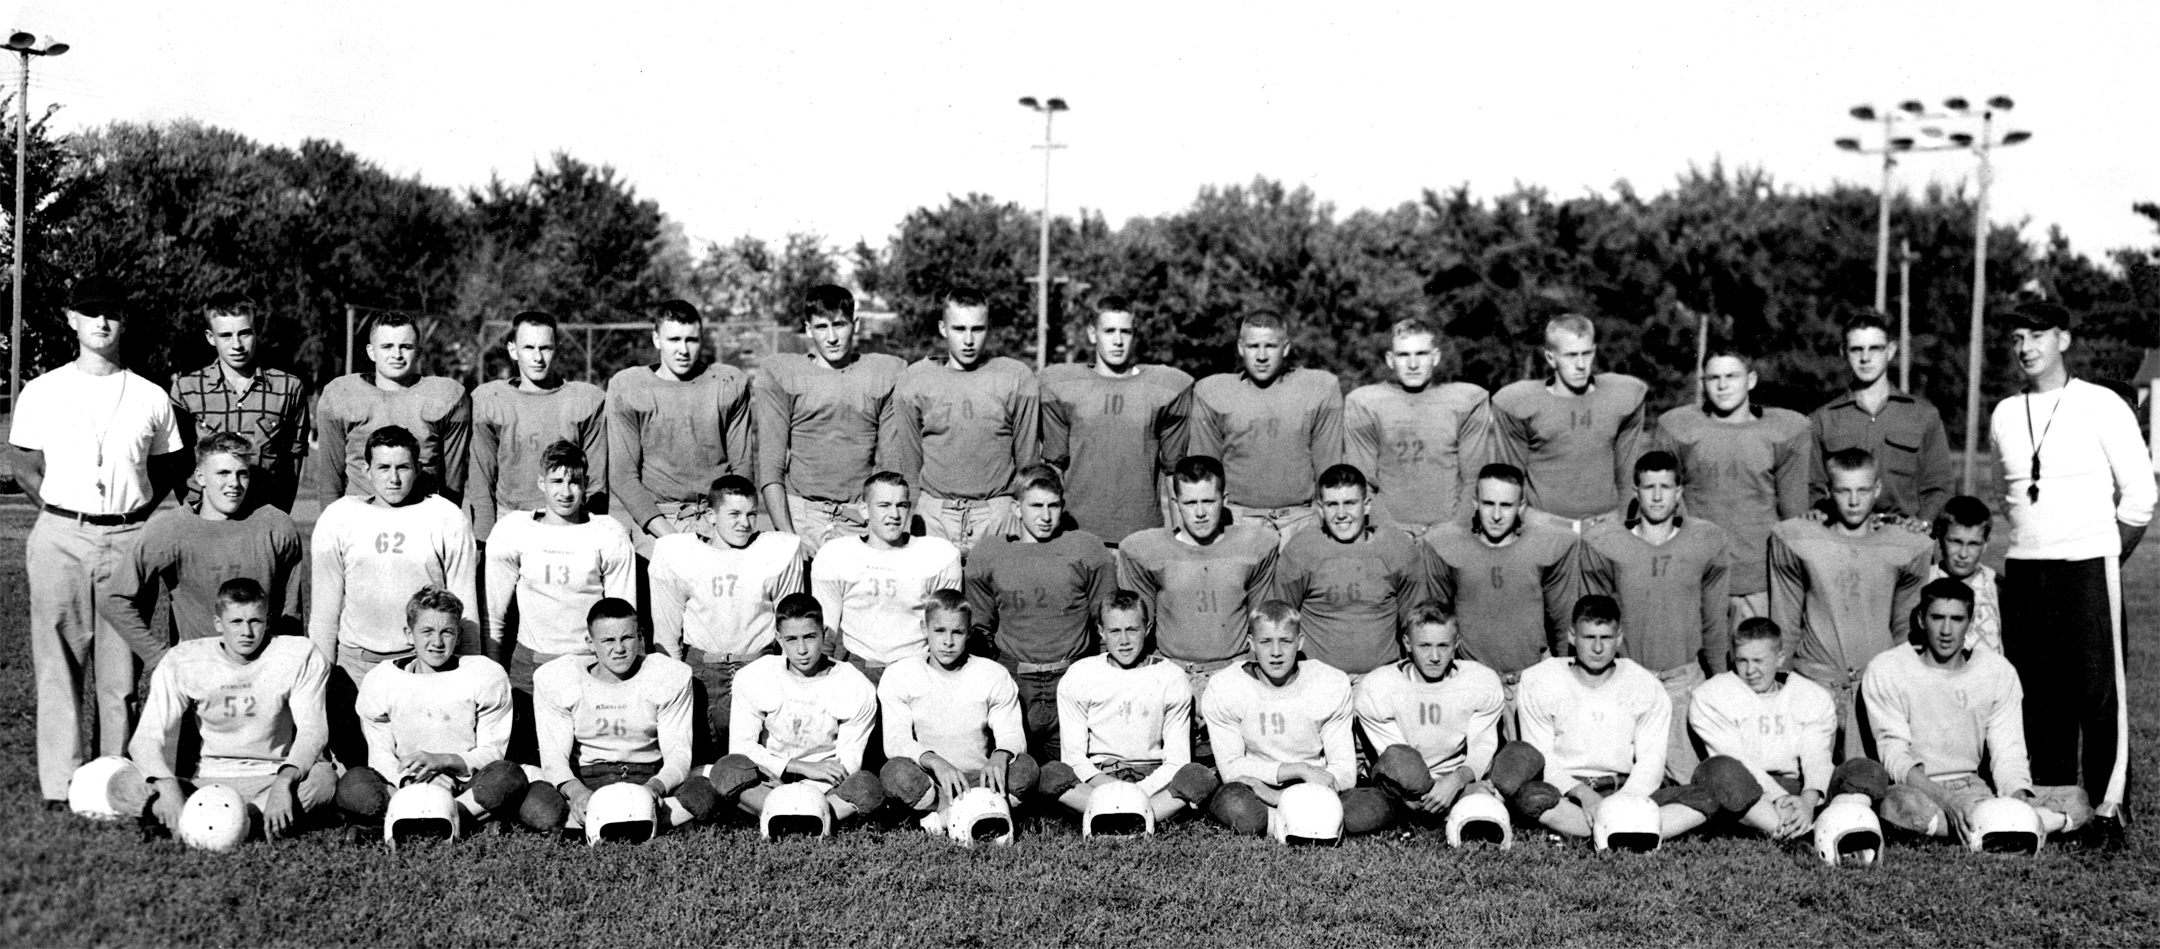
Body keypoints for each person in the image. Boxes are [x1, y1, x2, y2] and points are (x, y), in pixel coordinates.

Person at [8, 276, 188, 808]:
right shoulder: (43, 389)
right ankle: (60, 786)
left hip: (129, 536)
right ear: (71, 320)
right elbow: (23, 466)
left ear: (123, 321)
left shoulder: (150, 396)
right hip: (60, 534)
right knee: (59, 661)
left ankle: (114, 782)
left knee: (121, 672)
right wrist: (68, 514)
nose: (101, 323)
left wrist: (128, 521)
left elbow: (166, 469)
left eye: (111, 313)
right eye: (90, 313)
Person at [1988, 301, 2154, 845]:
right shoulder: (2006, 413)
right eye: (2018, 337)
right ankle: (2059, 804)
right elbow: (2006, 495)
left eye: (2037, 335)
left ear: (2063, 338)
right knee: (2038, 691)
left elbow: (2140, 496)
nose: (2026, 347)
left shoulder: (2100, 403)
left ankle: (2110, 810)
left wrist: (2105, 553)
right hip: (2026, 569)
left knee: (2097, 694)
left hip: (2087, 566)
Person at [1863, 578, 2092, 842]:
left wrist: (2018, 798)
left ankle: (1988, 825)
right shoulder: (1889, 668)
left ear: (1970, 622)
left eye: (1957, 619)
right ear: (1920, 619)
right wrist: (1947, 800)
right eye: (1937, 617)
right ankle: (2010, 827)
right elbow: (1894, 754)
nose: (1946, 630)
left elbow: (2008, 750)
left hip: (1975, 787)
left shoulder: (1995, 670)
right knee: (1896, 805)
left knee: (2077, 799)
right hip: (1922, 790)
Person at [310, 425, 480, 766]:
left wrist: (470, 673)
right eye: (384, 468)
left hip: (421, 665)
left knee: (420, 765)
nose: (394, 478)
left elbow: (465, 606)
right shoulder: (341, 517)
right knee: (357, 770)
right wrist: (320, 680)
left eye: (403, 467)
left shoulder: (445, 517)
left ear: (417, 469)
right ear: (366, 470)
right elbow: (325, 610)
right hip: (357, 663)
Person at [1490, 595, 1716, 842]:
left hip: (1625, 789)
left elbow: (1650, 763)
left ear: (1619, 637)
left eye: (1606, 638)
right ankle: (1629, 829)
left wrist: (1622, 802)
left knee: (1707, 797)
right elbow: (1543, 758)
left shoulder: (1644, 684)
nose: (1597, 648)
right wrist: (1584, 794)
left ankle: (1590, 830)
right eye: (1589, 638)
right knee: (1531, 797)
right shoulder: (1540, 680)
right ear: (1572, 636)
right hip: (1567, 794)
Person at [133, 579, 337, 840]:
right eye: (236, 622)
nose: (247, 632)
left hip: (269, 777)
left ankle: (217, 822)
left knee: (322, 779)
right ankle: (250, 826)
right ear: (218, 623)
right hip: (206, 779)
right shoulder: (185, 659)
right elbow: (147, 737)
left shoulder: (297, 653)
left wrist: (284, 782)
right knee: (126, 778)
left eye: (255, 621)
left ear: (268, 620)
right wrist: (168, 787)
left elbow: (313, 731)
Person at [1768, 448, 1932, 759]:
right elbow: (1785, 619)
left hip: (1874, 683)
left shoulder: (1905, 545)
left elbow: (1904, 630)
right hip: (1816, 679)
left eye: (1863, 490)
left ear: (1878, 489)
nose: (1854, 501)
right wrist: (1782, 681)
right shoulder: (1800, 540)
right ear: (1828, 491)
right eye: (1843, 491)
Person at [1581, 451, 1732, 783]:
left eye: (1666, 486)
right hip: (1628, 678)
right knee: (1619, 776)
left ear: (1680, 492)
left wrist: (1721, 680)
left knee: (1694, 780)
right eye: (1649, 487)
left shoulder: (1705, 541)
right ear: (1636, 491)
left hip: (1683, 679)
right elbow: (1596, 622)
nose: (1658, 496)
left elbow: (1714, 619)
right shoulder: (1607, 543)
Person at [481, 439, 634, 762]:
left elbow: (622, 617)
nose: (566, 492)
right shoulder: (515, 530)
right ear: (541, 483)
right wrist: (495, 674)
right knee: (526, 764)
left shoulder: (607, 532)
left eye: (574, 481)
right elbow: (495, 615)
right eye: (556, 481)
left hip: (586, 663)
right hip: (531, 665)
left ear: (586, 484)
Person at [335, 587, 534, 831]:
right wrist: (410, 781)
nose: (437, 642)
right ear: (409, 634)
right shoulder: (382, 679)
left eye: (447, 632)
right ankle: (461, 823)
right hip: (405, 783)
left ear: (459, 635)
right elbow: (380, 754)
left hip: (462, 784)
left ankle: (406, 822)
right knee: (353, 784)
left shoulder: (484, 674)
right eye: (427, 631)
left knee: (508, 776)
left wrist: (444, 762)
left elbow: (492, 752)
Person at [522, 597, 721, 832]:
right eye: (608, 640)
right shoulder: (559, 677)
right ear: (590, 642)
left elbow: (678, 753)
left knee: (705, 792)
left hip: (646, 776)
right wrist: (577, 793)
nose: (619, 649)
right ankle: (641, 820)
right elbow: (554, 757)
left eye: (627, 638)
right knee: (540, 809)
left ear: (640, 636)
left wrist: (653, 788)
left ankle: (601, 821)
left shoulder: (668, 674)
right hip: (588, 778)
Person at [1200, 601, 1395, 837]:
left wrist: (1280, 796)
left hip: (1318, 787)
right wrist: (1298, 769)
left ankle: (1282, 823)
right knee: (1233, 804)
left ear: (1299, 642)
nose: (1276, 652)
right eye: (1265, 642)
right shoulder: (1226, 686)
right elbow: (1232, 768)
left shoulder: (1329, 681)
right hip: (1259, 787)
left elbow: (1344, 772)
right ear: (1251, 644)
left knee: (1375, 805)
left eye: (1285, 641)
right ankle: (1313, 825)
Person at [1421, 464, 1599, 722]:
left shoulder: (1545, 549)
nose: (1495, 515)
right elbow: (1435, 622)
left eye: (1506, 505)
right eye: (1488, 503)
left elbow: (1562, 618)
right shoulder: (1448, 549)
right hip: (1471, 683)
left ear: (1521, 507)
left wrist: (1567, 677)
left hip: (1530, 680)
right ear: (1475, 503)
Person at [963, 466, 1117, 761]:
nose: (1045, 517)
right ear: (1016, 508)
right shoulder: (992, 553)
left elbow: (1106, 622)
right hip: (1016, 680)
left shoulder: (1085, 549)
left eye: (1053, 506)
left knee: (1073, 772)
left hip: (1070, 677)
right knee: (1015, 772)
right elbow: (980, 629)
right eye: (1036, 506)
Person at [651, 475, 809, 761]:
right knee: (703, 761)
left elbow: (790, 624)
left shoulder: (775, 553)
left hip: (757, 665)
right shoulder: (679, 553)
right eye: (734, 514)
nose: (744, 523)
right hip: (703, 671)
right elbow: (666, 631)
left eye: (751, 514)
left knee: (757, 760)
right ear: (711, 515)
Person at [1689, 617, 1890, 841]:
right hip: (1750, 793)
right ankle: (1806, 834)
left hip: (1801, 788)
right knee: (1718, 770)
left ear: (1779, 659)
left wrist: (1807, 800)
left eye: (1758, 661)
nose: (1749, 670)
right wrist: (1779, 799)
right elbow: (1737, 759)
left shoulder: (1809, 694)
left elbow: (1816, 755)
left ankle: (1830, 821)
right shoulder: (1713, 694)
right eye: (1742, 661)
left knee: (1867, 770)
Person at [1653, 346, 1813, 627]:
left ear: (1751, 380)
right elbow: (1661, 504)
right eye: (1714, 378)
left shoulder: (1782, 431)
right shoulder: (1679, 428)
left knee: (1753, 662)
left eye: (1732, 376)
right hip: (1696, 572)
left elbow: (1794, 513)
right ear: (1703, 383)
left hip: (1758, 577)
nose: (1723, 385)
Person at [105, 432, 304, 654]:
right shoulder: (171, 528)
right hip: (199, 664)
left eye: (242, 474)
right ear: (200, 477)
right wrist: (157, 657)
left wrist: (287, 659)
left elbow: (292, 610)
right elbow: (115, 598)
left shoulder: (275, 524)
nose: (234, 484)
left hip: (263, 664)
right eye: (223, 473)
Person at [1115, 455, 1280, 721]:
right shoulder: (1147, 552)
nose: (1200, 512)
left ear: (1224, 500)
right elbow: (1139, 628)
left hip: (1233, 671)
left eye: (1208, 501)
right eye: (1190, 503)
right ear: (1175, 503)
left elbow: (1262, 624)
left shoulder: (1254, 547)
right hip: (1172, 673)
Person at [704, 594, 887, 827]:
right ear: (778, 638)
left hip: (826, 786)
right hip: (769, 780)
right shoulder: (755, 675)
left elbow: (848, 763)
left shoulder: (854, 684)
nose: (802, 649)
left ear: (825, 634)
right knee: (726, 769)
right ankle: (807, 816)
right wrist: (799, 768)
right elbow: (742, 747)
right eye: (791, 639)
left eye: (810, 637)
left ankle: (788, 814)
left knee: (867, 786)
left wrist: (810, 786)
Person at [1037, 591, 1220, 824]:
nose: (1124, 641)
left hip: (1153, 777)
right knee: (1051, 774)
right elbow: (1073, 756)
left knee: (1200, 776)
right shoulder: (1080, 674)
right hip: (1097, 778)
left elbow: (1177, 759)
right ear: (1101, 631)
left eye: (1132, 630)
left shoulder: (1170, 676)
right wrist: (1111, 789)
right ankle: (1141, 817)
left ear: (1147, 627)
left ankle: (1111, 816)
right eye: (1115, 631)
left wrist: (1138, 792)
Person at [753, 284, 907, 554]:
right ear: (808, 328)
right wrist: (788, 538)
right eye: (822, 327)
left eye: (840, 324)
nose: (832, 337)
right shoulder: (784, 374)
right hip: (800, 515)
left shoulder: (882, 373)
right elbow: (770, 466)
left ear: (855, 325)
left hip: (859, 516)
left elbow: (892, 464)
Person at [890, 290, 1041, 555]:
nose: (969, 340)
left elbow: (1027, 463)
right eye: (959, 329)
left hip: (997, 514)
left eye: (977, 329)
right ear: (942, 328)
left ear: (989, 328)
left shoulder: (1015, 378)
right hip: (934, 516)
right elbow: (910, 463)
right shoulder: (915, 379)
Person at [1039, 296, 1195, 544]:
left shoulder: (1162, 389)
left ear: (1134, 335)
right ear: (1093, 334)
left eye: (1126, 332)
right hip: (1076, 531)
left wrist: (1181, 538)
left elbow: (1174, 472)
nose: (1118, 340)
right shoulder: (1064, 386)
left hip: (1142, 531)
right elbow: (1053, 467)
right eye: (1109, 331)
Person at [876, 590, 1038, 828]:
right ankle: (974, 812)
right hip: (932, 782)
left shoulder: (992, 673)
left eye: (958, 632)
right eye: (939, 630)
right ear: (924, 628)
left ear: (969, 632)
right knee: (894, 772)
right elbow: (895, 741)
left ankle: (941, 821)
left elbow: (1012, 734)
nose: (948, 642)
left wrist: (999, 756)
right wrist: (936, 762)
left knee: (1026, 769)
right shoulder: (900, 674)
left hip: (979, 779)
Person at [606, 299, 754, 558]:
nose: (683, 350)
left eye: (691, 340)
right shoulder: (629, 386)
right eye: (673, 340)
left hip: (717, 522)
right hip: (658, 523)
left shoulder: (727, 383)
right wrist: (671, 538)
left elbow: (742, 468)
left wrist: (725, 528)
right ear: (656, 339)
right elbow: (622, 476)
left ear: (702, 339)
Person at [1188, 311, 1343, 542]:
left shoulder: (1317, 389)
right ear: (1241, 348)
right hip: (1236, 521)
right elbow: (1203, 479)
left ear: (1286, 348)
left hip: (1299, 521)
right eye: (1253, 346)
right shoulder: (1214, 393)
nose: (1261, 356)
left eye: (1270, 346)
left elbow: (1329, 470)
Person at [1273, 464, 1433, 678]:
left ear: (1366, 505)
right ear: (1320, 509)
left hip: (1382, 679)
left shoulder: (1398, 548)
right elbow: (1282, 621)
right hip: (1317, 681)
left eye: (1349, 503)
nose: (1341, 514)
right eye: (1332, 504)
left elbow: (1415, 623)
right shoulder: (1301, 549)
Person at [1487, 313, 1648, 526]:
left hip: (1605, 528)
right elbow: (1510, 478)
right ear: (1551, 358)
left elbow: (1629, 472)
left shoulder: (1621, 397)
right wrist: (1528, 520)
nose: (1581, 365)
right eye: (1571, 355)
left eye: (1587, 354)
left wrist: (1625, 524)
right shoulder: (1520, 404)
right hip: (1544, 530)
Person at [466, 310, 609, 543]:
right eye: (528, 348)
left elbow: (595, 483)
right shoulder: (490, 400)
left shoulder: (585, 401)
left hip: (568, 521)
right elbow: (482, 483)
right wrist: (483, 542)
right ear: (513, 350)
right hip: (510, 520)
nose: (538, 358)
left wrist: (591, 535)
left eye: (545, 348)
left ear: (557, 349)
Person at [811, 472, 964, 684]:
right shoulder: (837, 555)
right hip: (858, 666)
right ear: (864, 509)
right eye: (884, 505)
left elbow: (946, 628)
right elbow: (825, 629)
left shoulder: (937, 555)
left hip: (916, 668)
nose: (894, 514)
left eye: (901, 505)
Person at [1358, 605, 1507, 822]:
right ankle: (1448, 808)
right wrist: (1440, 791)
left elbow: (1481, 748)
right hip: (1404, 789)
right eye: (1425, 646)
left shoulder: (1480, 681)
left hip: (1456, 778)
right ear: (1408, 644)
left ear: (1456, 644)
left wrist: (1456, 781)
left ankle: (1441, 809)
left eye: (1443, 646)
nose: (1435, 656)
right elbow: (1398, 760)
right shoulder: (1379, 685)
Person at [1343, 317, 1491, 534]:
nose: (1413, 364)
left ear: (1436, 357)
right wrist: (1388, 534)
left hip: (1448, 531)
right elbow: (1362, 484)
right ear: (1390, 359)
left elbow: (1474, 479)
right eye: (1404, 355)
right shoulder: (1365, 403)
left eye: (1421, 354)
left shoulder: (1465, 401)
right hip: (1390, 532)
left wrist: (1456, 531)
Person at [169, 292, 312, 511]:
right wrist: (193, 510)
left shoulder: (288, 389)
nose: (237, 345)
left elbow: (293, 463)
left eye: (244, 333)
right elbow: (178, 464)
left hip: (263, 516)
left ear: (256, 331)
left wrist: (278, 516)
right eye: (225, 335)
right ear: (210, 337)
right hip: (205, 519)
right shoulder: (187, 390)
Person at [313, 310, 471, 505]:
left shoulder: (445, 397)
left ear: (418, 352)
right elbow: (330, 479)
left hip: (421, 517)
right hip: (360, 517)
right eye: (387, 346)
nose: (396, 355)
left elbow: (453, 482)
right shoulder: (341, 395)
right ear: (371, 352)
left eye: (405, 347)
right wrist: (332, 526)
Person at [1809, 312, 1952, 523]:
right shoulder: (1822, 419)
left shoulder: (1923, 415)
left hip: (1903, 536)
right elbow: (1812, 486)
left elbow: (1940, 486)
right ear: (1843, 352)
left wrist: (1924, 522)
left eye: (1875, 348)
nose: (1865, 358)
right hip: (1841, 537)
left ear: (1891, 350)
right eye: (1856, 349)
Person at [1929, 496, 2001, 653]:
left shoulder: (1998, 587)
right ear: (1940, 538)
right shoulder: (1923, 582)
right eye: (1955, 542)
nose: (1963, 554)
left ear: (1985, 544)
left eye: (1973, 544)